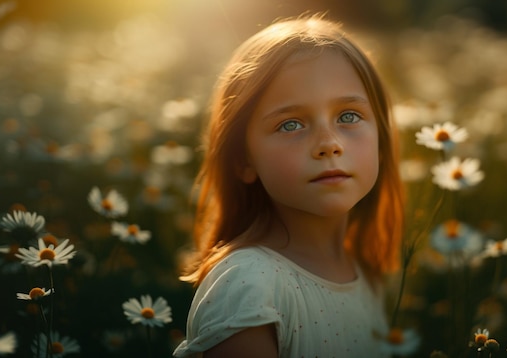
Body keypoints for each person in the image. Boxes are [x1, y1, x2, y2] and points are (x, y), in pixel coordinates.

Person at [173, 13, 405, 358]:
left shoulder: (366, 273)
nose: (329, 143)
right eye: (291, 124)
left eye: (348, 116)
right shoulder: (249, 287)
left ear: (382, 143)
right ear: (243, 160)